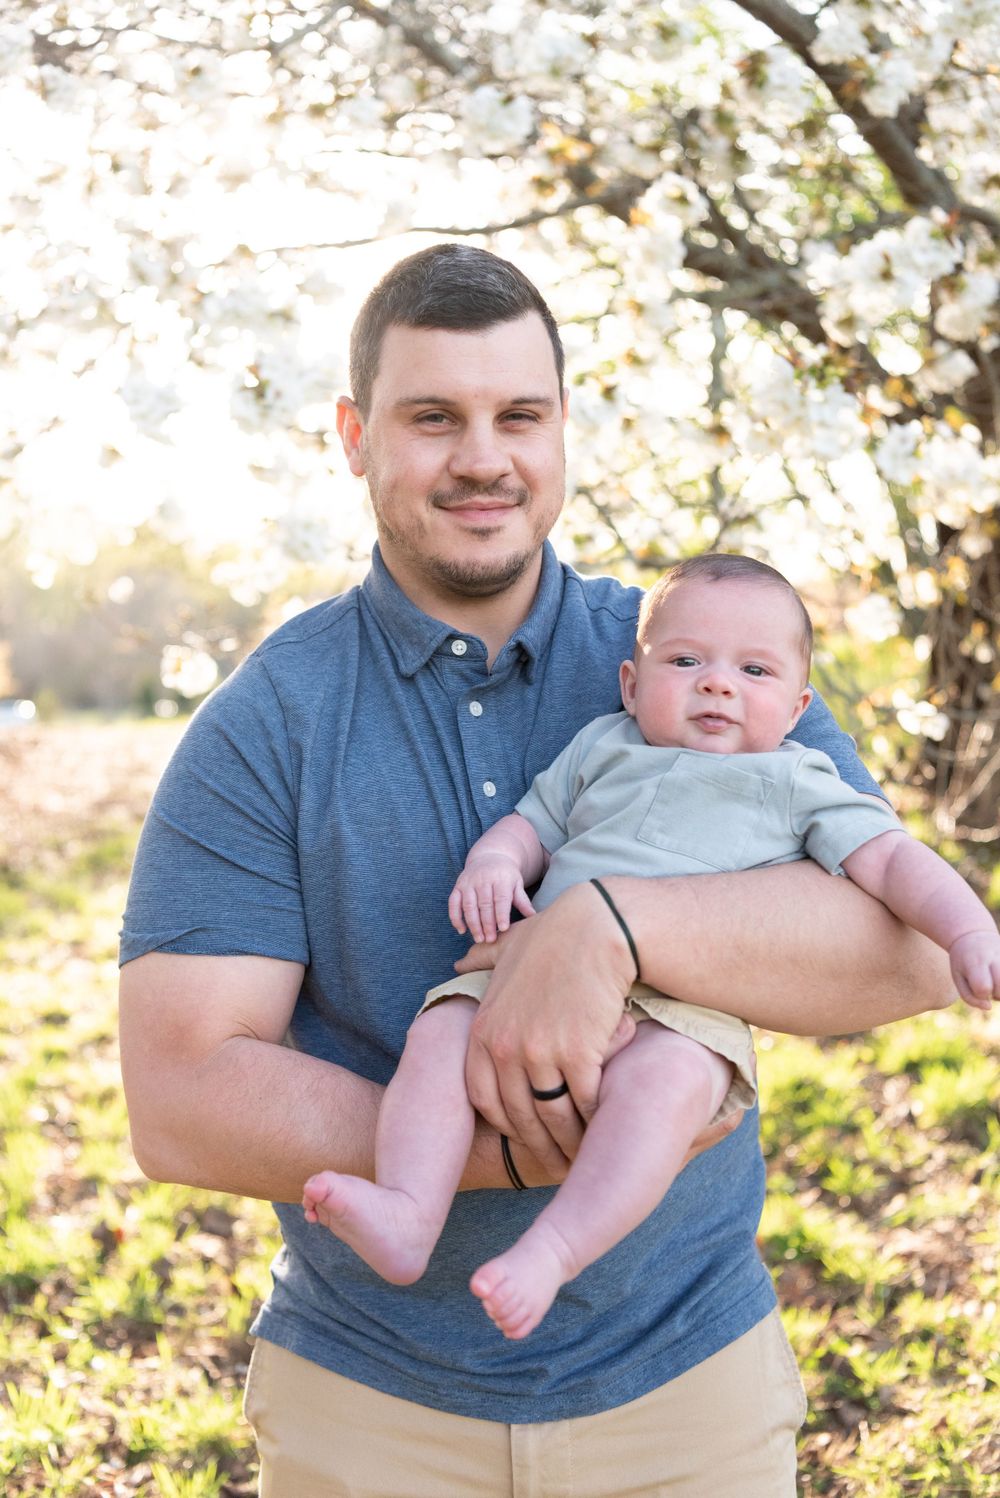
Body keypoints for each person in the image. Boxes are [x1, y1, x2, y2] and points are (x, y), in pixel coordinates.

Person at [119, 243, 956, 1497]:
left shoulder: (700, 653)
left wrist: (609, 925)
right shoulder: (269, 720)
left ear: (562, 428)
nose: (482, 458)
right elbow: (180, 1095)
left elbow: (914, 947)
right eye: (431, 418)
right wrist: (519, 1148)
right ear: (354, 437)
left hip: (686, 1384)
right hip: (370, 1405)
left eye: (518, 415)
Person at [301, 554, 999, 1341]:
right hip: (530, 977)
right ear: (631, 685)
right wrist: (495, 862)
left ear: (798, 707)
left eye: (754, 670)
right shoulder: (603, 746)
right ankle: (408, 1212)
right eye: (687, 661)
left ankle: (554, 1250)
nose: (718, 685)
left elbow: (895, 863)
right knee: (437, 1033)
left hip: (681, 1008)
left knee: (665, 1089)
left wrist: (969, 930)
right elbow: (532, 825)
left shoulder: (798, 778)